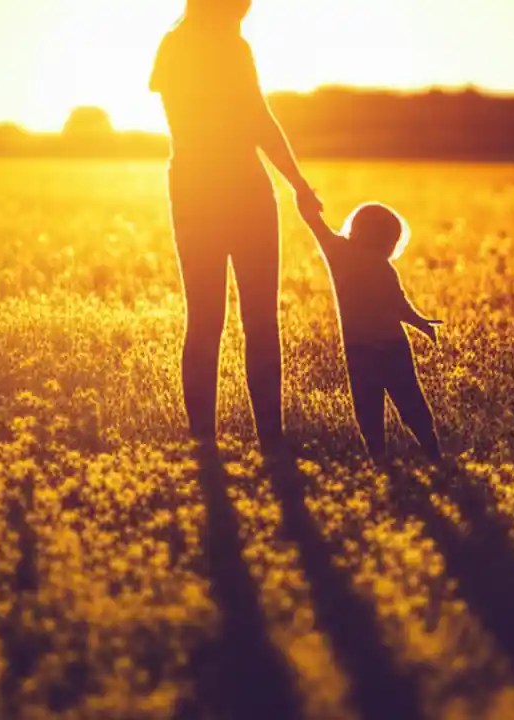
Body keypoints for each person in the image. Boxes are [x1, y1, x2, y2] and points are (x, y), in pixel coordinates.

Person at [149, 0, 322, 453]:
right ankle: (270, 438)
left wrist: (296, 183)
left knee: (205, 319)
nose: (246, 10)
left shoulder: (173, 45)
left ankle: (205, 442)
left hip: (193, 187)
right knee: (259, 321)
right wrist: (297, 183)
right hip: (241, 188)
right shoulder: (230, 46)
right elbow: (257, 119)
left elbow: (194, 122)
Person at [300, 202, 443, 460]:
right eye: (391, 241)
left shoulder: (340, 253)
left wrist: (304, 196)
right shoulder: (361, 259)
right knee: (409, 403)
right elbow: (399, 305)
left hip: (364, 349)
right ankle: (430, 452)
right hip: (390, 347)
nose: (391, 249)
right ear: (382, 239)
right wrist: (420, 324)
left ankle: (382, 458)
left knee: (370, 409)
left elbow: (315, 223)